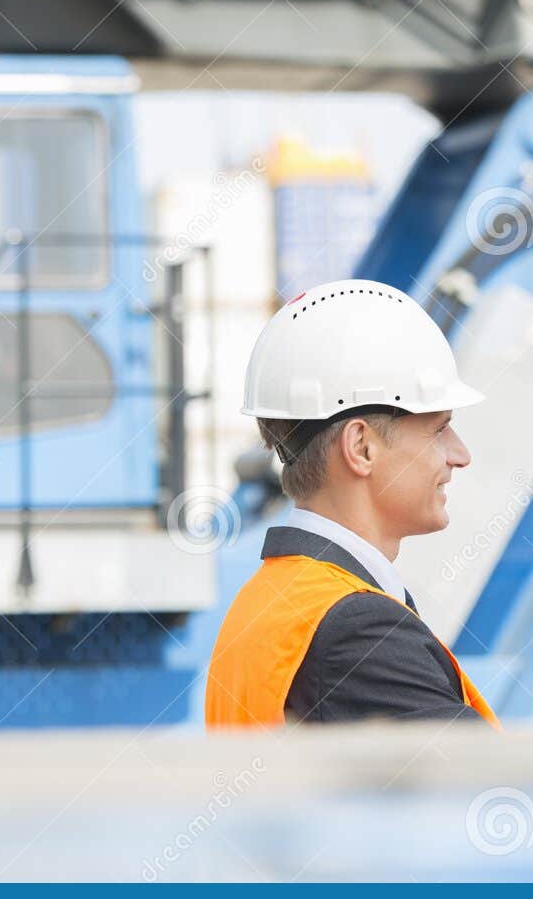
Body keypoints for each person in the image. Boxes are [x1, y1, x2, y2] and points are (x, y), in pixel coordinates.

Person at [205, 279, 500, 728]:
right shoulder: (355, 628)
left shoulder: (271, 600)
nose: (461, 454)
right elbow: (493, 790)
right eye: (439, 428)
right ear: (361, 447)